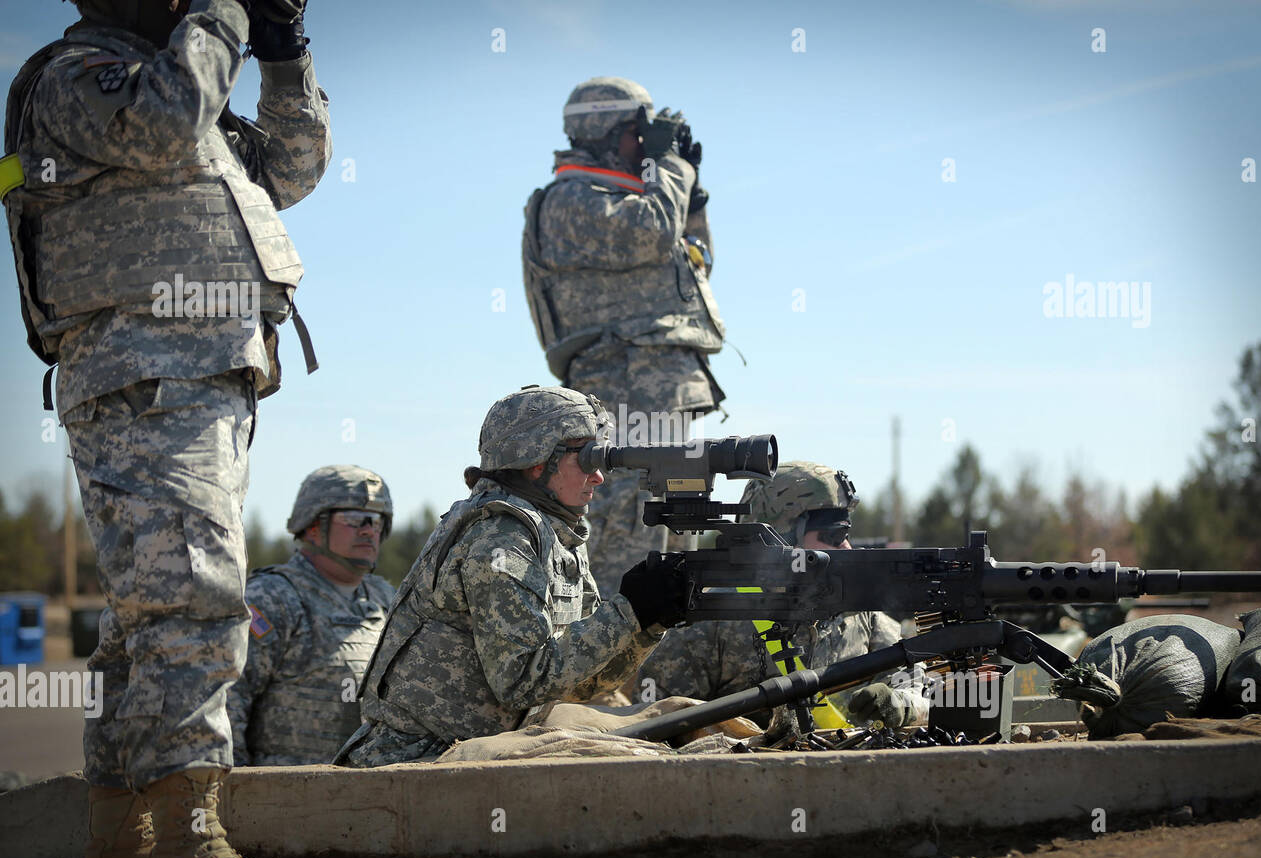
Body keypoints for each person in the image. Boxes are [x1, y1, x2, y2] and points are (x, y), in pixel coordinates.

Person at [2, 0, 329, 858]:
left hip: (200, 378)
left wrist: (283, 50)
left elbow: (291, 168)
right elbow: (167, 120)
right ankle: (190, 837)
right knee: (195, 594)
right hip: (140, 376)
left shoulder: (190, 84)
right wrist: (223, 10)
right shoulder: (75, 79)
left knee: (141, 619)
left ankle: (123, 835)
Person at [335, 386, 689, 768]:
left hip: (477, 755)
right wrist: (628, 613)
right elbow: (522, 682)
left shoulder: (555, 535)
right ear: (536, 462)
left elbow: (582, 684)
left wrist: (647, 624)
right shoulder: (501, 538)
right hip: (414, 761)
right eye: (586, 458)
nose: (599, 477)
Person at [521, 76, 726, 599]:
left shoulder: (632, 199)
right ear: (607, 133)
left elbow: (694, 267)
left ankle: (659, 676)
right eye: (643, 135)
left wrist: (691, 195)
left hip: (665, 402)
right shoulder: (572, 201)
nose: (650, 147)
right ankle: (609, 680)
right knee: (631, 551)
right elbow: (654, 233)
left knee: (676, 549)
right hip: (626, 403)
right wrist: (672, 170)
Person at [637, 462, 930, 731]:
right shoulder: (710, 618)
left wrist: (900, 703)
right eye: (834, 536)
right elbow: (660, 721)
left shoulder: (859, 610)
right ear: (781, 538)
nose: (847, 549)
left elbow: (915, 681)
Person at [227, 466, 396, 766]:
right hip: (284, 799)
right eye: (355, 519)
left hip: (374, 795)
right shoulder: (273, 598)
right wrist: (236, 793)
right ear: (313, 526)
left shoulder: (386, 600)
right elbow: (228, 702)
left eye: (378, 520)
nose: (370, 530)